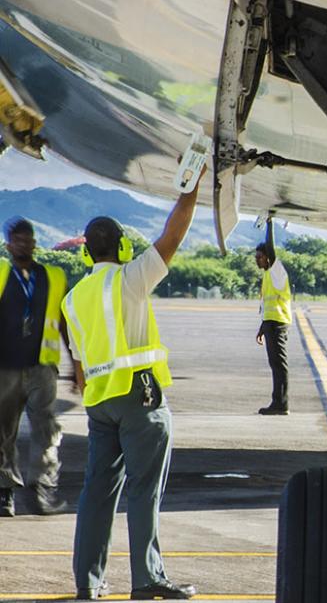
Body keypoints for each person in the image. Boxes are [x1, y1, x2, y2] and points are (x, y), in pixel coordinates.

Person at [62, 175, 202, 600]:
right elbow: (172, 235)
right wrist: (191, 188)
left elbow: (81, 367)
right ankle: (147, 579)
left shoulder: (74, 298)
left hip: (99, 403)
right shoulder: (130, 278)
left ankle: (88, 582)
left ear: (87, 252)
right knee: (144, 489)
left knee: (97, 494)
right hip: (139, 398)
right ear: (121, 248)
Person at [0, 217, 68, 516]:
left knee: (46, 430)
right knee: (4, 433)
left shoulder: (54, 276)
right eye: (18, 240)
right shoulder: (2, 273)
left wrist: (75, 363)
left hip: (43, 368)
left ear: (35, 242)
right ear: (8, 244)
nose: (24, 244)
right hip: (6, 367)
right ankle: (5, 492)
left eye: (28, 239)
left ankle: (40, 488)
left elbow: (64, 321)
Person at [252, 242, 292, 415]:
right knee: (275, 364)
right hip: (271, 322)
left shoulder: (277, 272)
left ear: (268, 257)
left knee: (279, 365)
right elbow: (267, 303)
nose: (257, 260)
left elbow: (272, 249)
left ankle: (281, 404)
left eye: (259, 257)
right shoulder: (268, 275)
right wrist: (262, 326)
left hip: (278, 323)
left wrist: (269, 222)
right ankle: (278, 402)